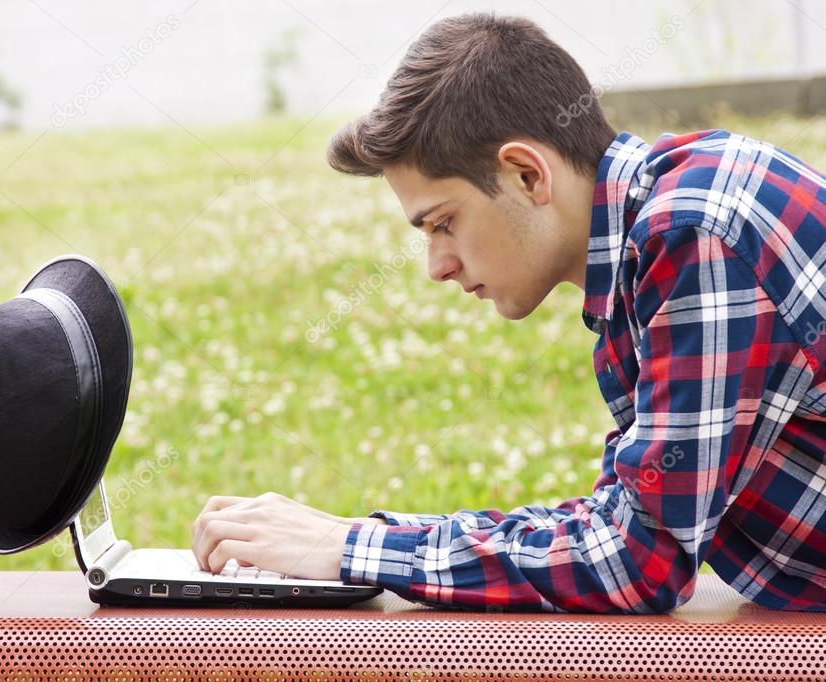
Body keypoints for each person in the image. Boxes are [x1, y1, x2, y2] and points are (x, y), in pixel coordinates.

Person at [190, 12, 826, 614]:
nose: (436, 265)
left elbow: (638, 562)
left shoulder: (694, 235)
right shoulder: (657, 228)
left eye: (443, 223)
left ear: (527, 174)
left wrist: (350, 551)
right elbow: (618, 522)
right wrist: (357, 536)